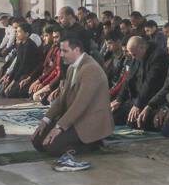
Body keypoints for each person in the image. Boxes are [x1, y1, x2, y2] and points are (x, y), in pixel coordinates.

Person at [32, 29, 115, 171]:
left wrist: (58, 128)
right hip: (76, 118)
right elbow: (61, 99)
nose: (61, 55)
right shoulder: (72, 68)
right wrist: (46, 120)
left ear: (76, 50)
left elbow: (80, 104)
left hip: (90, 120)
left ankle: (92, 143)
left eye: (64, 51)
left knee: (53, 147)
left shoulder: (91, 69)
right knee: (38, 141)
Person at [113, 34, 169, 126]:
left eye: (134, 55)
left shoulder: (158, 57)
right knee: (114, 114)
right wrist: (119, 99)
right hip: (136, 98)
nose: (133, 58)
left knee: (135, 122)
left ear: (142, 47)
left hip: (151, 100)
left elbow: (150, 83)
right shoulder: (136, 55)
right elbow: (129, 78)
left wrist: (138, 105)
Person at [136, 33, 169, 132]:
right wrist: (150, 106)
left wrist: (167, 108)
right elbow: (165, 88)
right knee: (141, 119)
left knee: (167, 129)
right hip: (167, 103)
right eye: (168, 48)